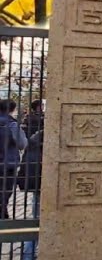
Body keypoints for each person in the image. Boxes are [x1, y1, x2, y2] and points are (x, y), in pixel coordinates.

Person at [0, 100, 27, 220]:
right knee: (4, 193)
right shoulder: (11, 124)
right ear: (11, 109)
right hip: (7, 164)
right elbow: (22, 144)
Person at [18, 128, 41, 260]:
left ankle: (28, 254)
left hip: (37, 185)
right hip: (45, 184)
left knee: (37, 220)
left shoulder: (36, 138)